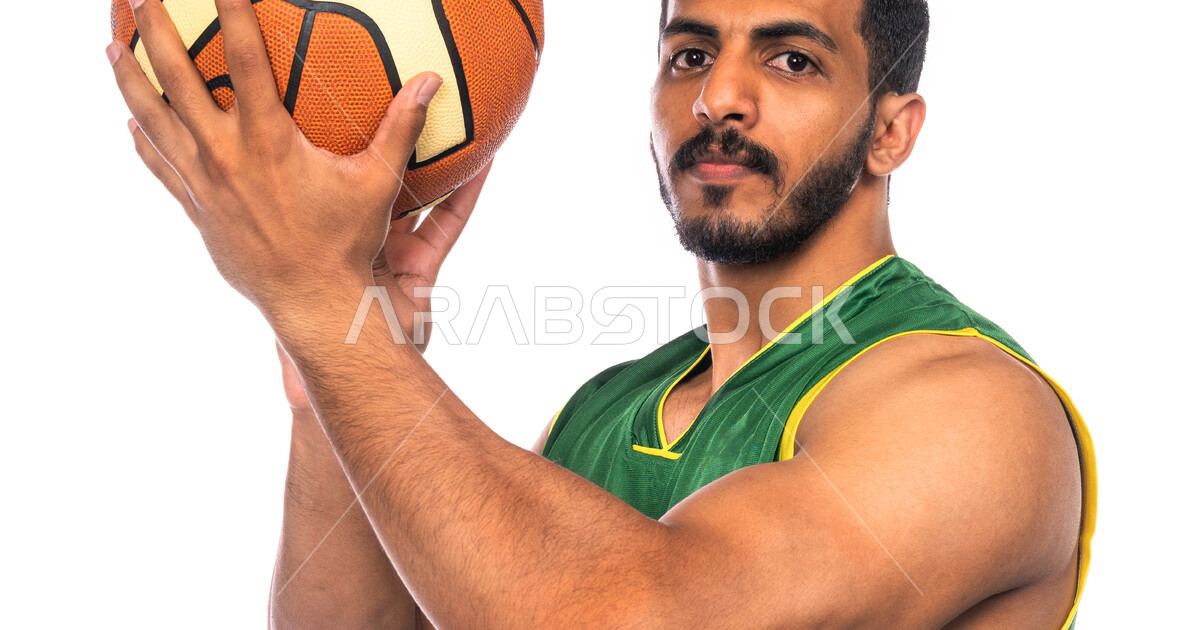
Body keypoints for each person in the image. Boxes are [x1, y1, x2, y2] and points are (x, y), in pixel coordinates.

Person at [107, 0, 1095, 627]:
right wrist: (337, 365)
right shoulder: (605, 409)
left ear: (890, 130)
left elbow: (623, 617)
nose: (720, 97)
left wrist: (318, 304)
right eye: (689, 53)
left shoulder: (973, 410)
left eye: (792, 60)